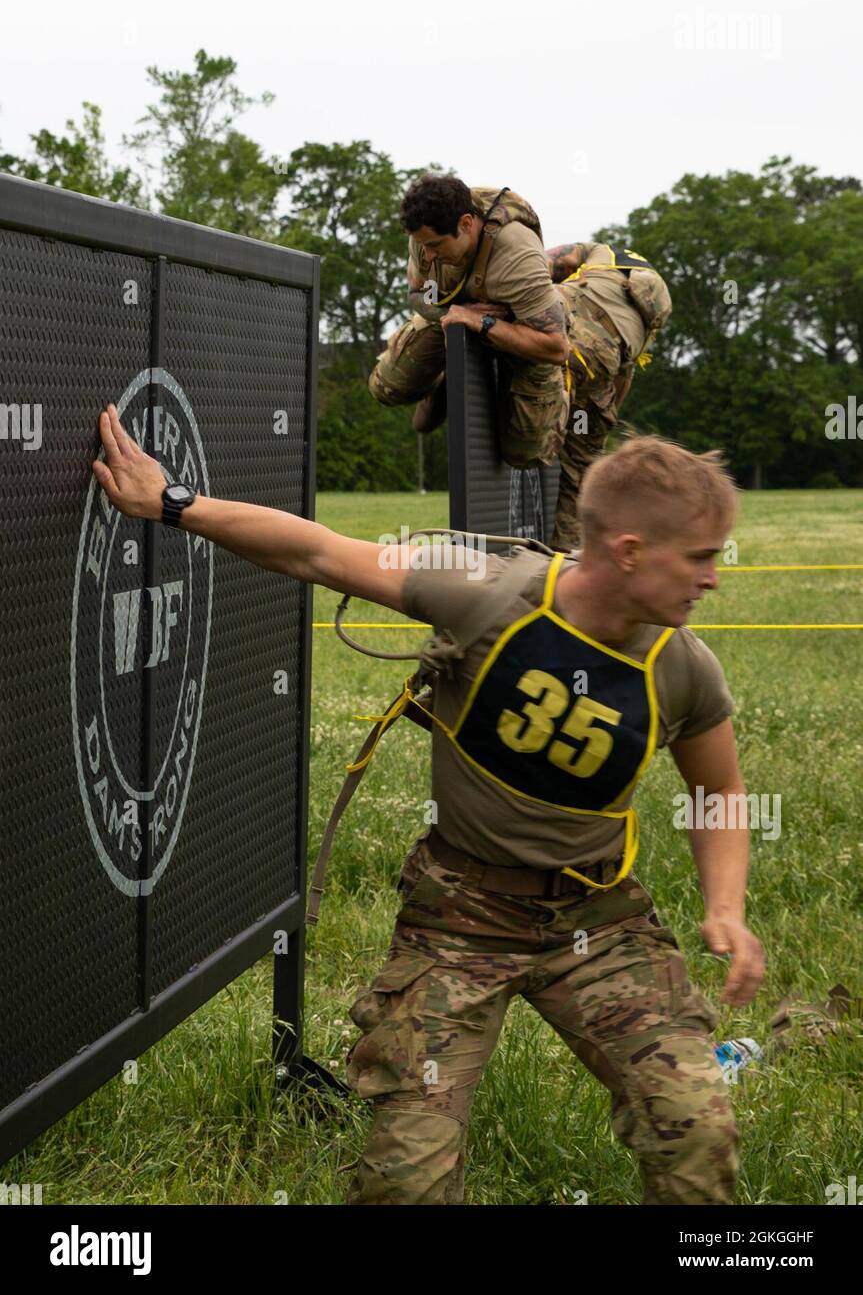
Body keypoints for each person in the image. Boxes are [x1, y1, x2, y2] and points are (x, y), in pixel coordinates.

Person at [91, 407, 765, 1207]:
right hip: (459, 921)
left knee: (695, 1127)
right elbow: (321, 553)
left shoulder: (683, 668)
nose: (713, 576)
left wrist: (726, 908)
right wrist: (172, 504)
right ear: (628, 551)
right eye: (699, 558)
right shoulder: (487, 593)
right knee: (403, 1183)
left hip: (601, 926)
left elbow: (717, 790)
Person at [369, 174, 571, 471]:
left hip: (525, 332)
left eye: (435, 245)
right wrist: (456, 314)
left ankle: (564, 396)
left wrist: (484, 323)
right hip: (456, 314)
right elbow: (416, 293)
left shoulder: (517, 255)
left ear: (466, 224)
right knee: (384, 388)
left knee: (523, 456)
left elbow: (556, 348)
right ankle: (452, 368)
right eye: (422, 245)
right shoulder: (424, 236)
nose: (428, 255)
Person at [544, 241, 673, 552]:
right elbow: (623, 373)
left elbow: (537, 268)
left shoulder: (594, 253)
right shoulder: (643, 318)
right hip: (604, 373)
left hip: (575, 345)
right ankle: (566, 563)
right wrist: (603, 418)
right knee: (579, 477)